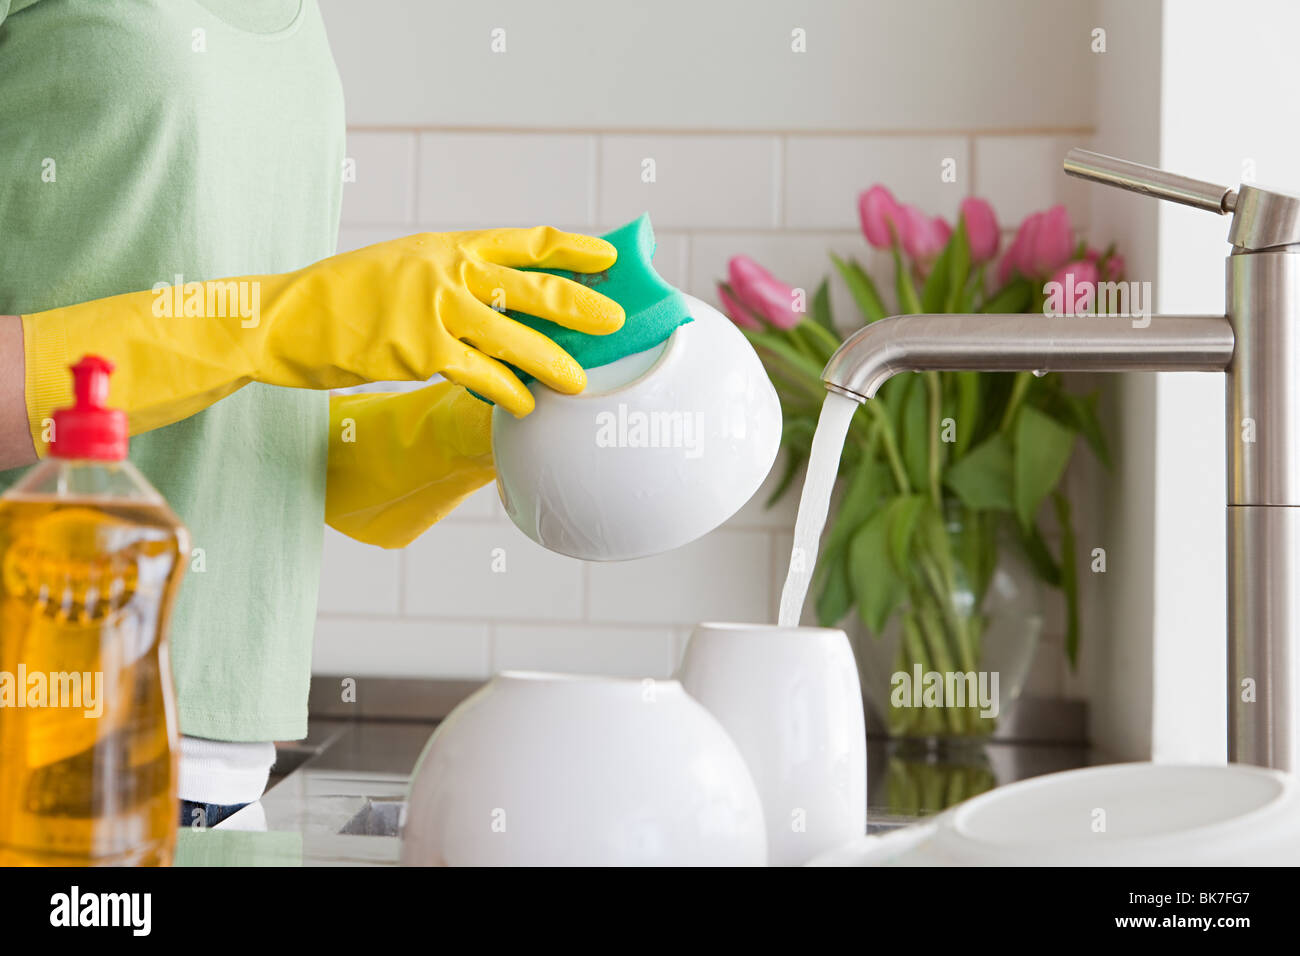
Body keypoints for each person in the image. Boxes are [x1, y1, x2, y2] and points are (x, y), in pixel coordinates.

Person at [0, 0, 622, 827]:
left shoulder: (297, 18)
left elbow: (242, 438)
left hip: (219, 778)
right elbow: (254, 336)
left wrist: (477, 428)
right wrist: (281, 320)